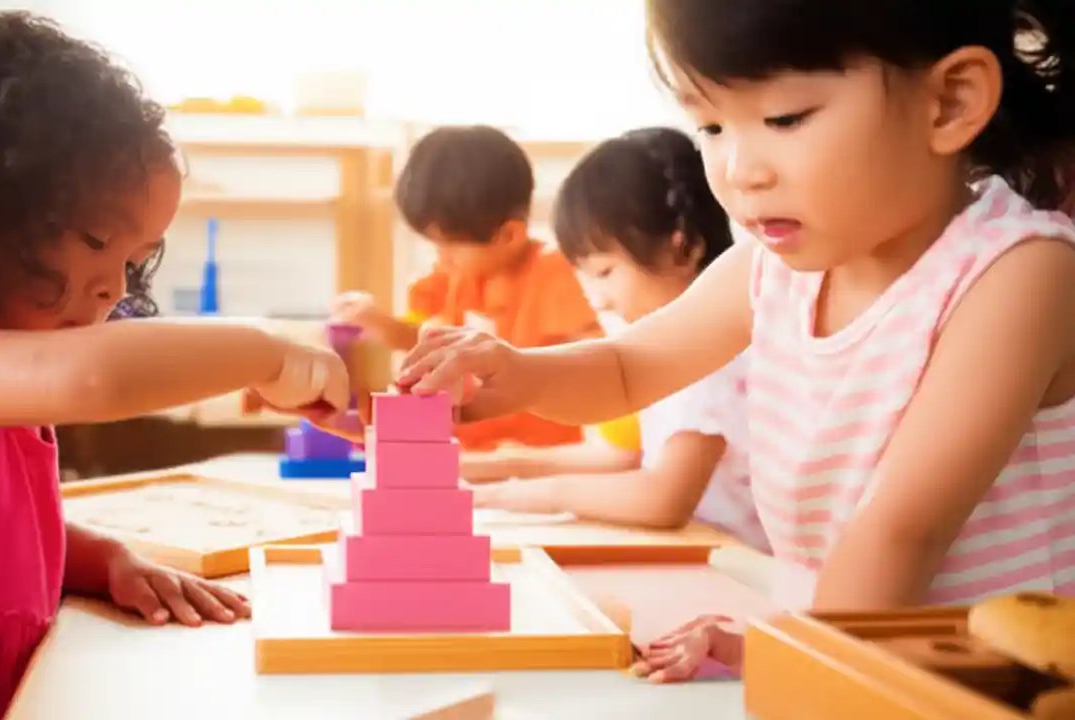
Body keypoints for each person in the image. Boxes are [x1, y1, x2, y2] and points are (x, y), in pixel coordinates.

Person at [398, 0, 1075, 682]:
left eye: (784, 120)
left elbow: (898, 534)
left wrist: (800, 667)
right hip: (866, 651)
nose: (738, 170)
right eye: (711, 126)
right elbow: (629, 368)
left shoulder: (1021, 272)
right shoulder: (768, 265)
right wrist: (517, 373)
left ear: (949, 103)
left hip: (1006, 685)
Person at [0, 12, 349, 718]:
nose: (117, 287)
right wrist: (267, 352)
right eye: (96, 240)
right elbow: (92, 377)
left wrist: (103, 559)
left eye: (131, 259)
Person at [472, 127, 766, 552]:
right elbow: (620, 457)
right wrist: (499, 468)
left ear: (681, 248)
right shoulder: (665, 343)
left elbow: (663, 498)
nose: (597, 298)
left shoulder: (712, 354)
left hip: (741, 566)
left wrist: (535, 494)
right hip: (704, 550)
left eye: (605, 272)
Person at [332, 125, 602, 452]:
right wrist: (387, 329)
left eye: (450, 248)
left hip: (534, 452)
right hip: (468, 446)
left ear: (509, 236)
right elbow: (431, 339)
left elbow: (597, 363)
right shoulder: (453, 278)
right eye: (433, 246)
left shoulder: (554, 275)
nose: (441, 259)